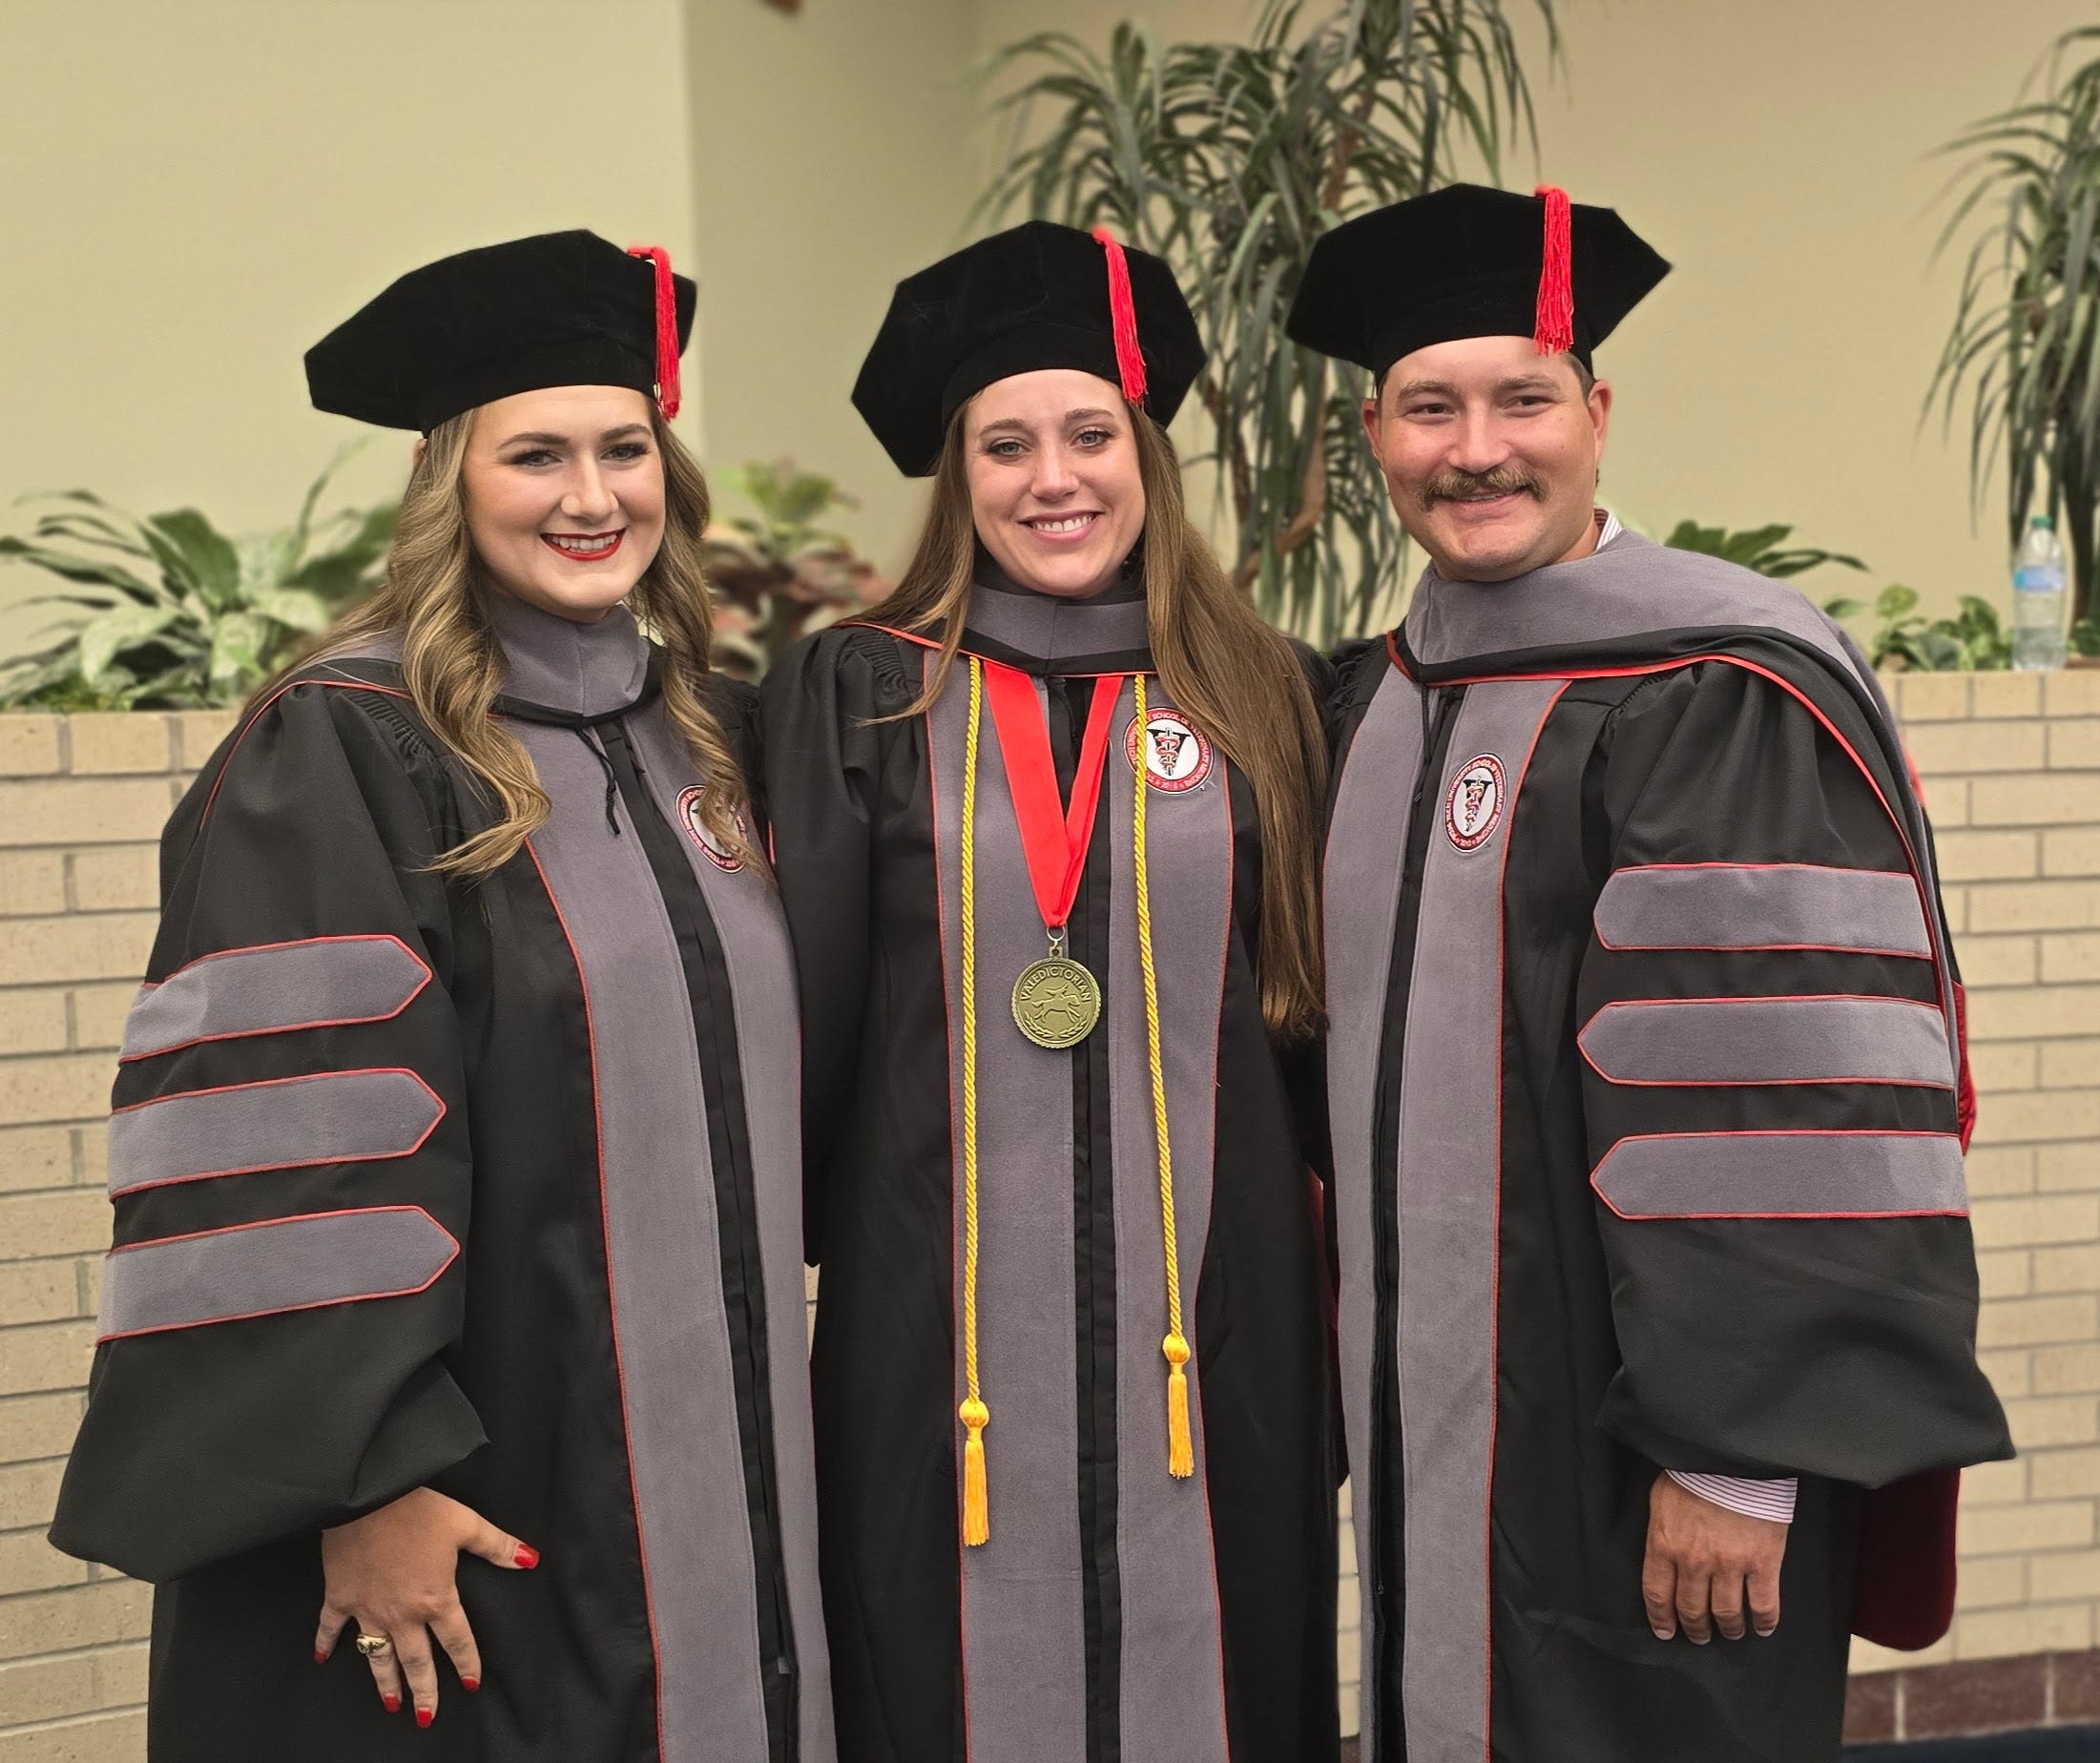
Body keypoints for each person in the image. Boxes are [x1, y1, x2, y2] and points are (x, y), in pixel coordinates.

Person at [51, 231, 834, 1763]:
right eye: (535, 453)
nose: (592, 496)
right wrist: (369, 1479)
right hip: (476, 1486)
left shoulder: (705, 740)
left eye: (625, 449)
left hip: (715, 1472)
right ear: (449, 486)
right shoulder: (347, 745)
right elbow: (285, 1162)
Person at [1287, 184, 2014, 1763]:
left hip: (1656, 1452)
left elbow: (1786, 1093)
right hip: (1447, 1445)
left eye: (1522, 400)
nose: (1477, 448)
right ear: (1374, 436)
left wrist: (1739, 1458)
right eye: (1430, 407)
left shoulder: (1710, 686)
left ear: (1596, 413)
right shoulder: (1379, 699)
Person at [760, 220, 1339, 1763]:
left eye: (1088, 434)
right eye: (1002, 445)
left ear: (1145, 453)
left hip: (1222, 1322)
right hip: (930, 1316)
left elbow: (1309, 1026)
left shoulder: (1262, 691)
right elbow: (799, 1032)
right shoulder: (862, 693)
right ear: (955, 478)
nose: (1051, 478)